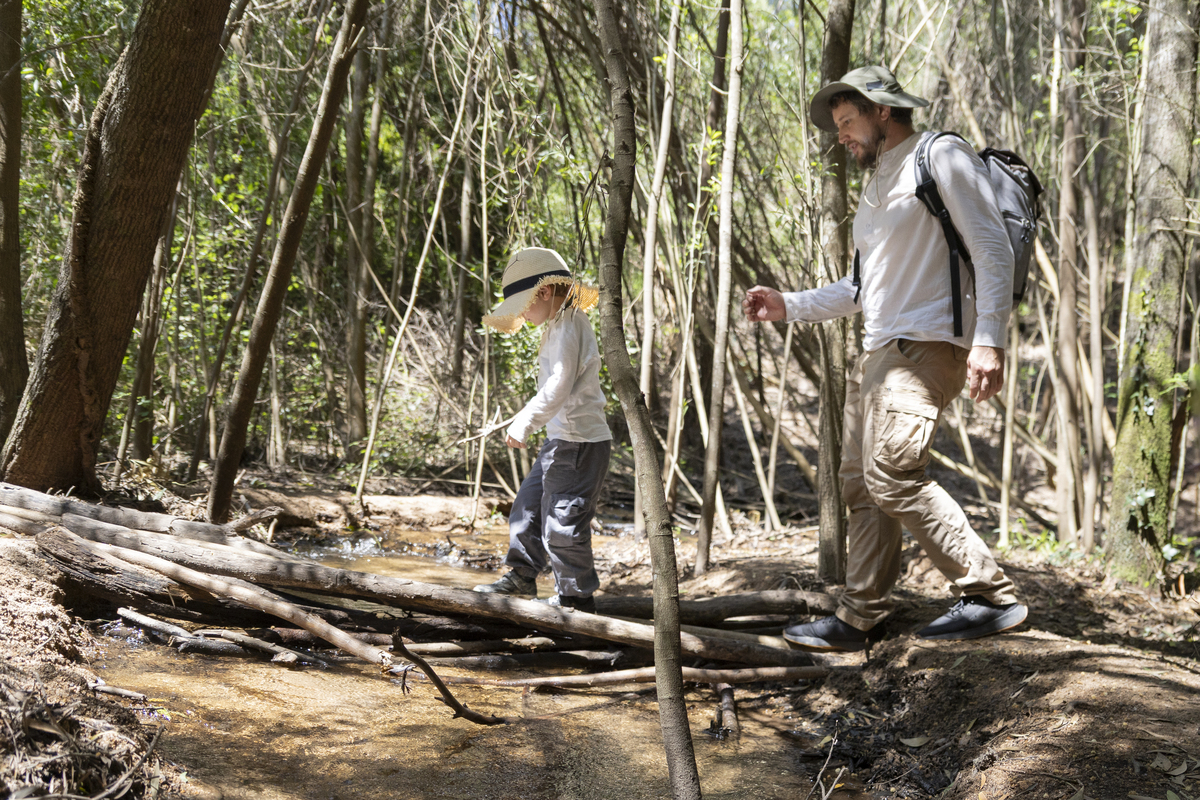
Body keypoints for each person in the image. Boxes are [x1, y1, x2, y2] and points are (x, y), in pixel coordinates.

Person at [743, 65, 1028, 652]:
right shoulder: (873, 193)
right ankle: (859, 616)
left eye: (847, 122)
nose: (841, 136)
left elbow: (991, 244)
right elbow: (859, 290)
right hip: (877, 353)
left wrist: (990, 338)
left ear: (882, 110)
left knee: (892, 476)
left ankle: (990, 594)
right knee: (859, 485)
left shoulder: (940, 154)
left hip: (929, 346)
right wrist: (786, 305)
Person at [472, 247, 611, 613]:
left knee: (563, 524)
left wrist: (525, 421)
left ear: (545, 292)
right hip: (561, 440)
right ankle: (521, 576)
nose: (520, 313)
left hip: (579, 444)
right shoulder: (557, 324)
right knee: (527, 509)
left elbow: (559, 384)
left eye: (523, 304)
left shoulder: (569, 323)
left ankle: (577, 603)